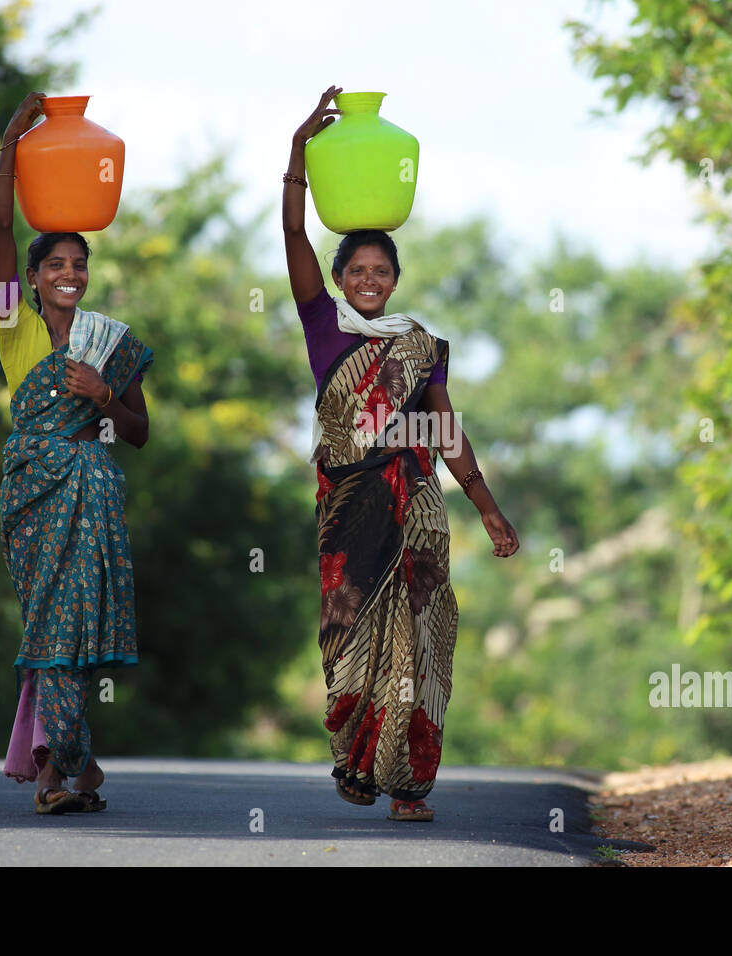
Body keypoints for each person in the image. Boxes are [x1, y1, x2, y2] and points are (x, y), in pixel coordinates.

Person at [284, 86, 520, 822]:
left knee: (420, 637)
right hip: (350, 514)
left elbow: (448, 432)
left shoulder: (422, 348)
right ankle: (356, 762)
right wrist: (296, 158)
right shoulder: (324, 328)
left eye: (380, 272)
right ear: (338, 280)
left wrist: (488, 509)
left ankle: (408, 784)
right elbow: (293, 238)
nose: (368, 281)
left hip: (416, 510)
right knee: (347, 639)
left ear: (395, 280)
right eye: (356, 271)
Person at [0, 92, 153, 814]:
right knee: (50, 627)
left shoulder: (107, 342)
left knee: (70, 635)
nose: (69, 272)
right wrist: (7, 151)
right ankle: (77, 767)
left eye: (78, 263)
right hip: (33, 496)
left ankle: (57, 776)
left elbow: (139, 433)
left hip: (91, 491)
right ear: (31, 278)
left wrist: (102, 397)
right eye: (54, 262)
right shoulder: (14, 330)